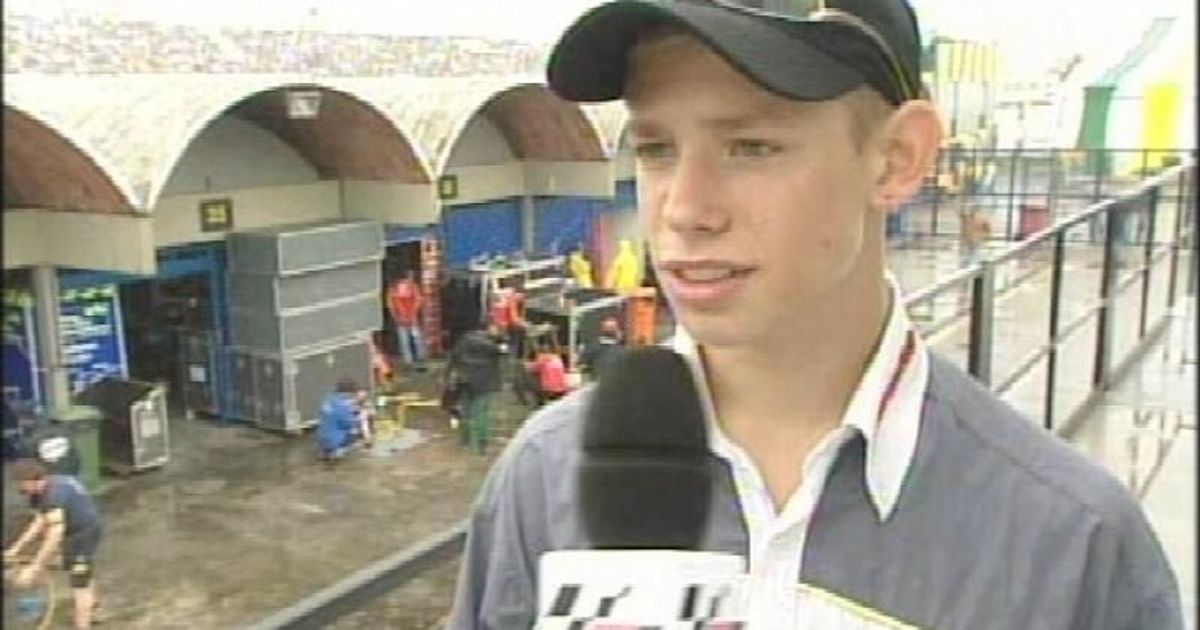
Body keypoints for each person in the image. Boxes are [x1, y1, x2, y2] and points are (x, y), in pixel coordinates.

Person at [449, 1, 1181, 628]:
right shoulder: (544, 478)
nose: (684, 209)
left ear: (897, 158)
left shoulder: (1072, 543)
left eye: (751, 147)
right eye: (656, 148)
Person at [5, 458, 104, 629]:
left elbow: (54, 535)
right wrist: (16, 548)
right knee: (84, 573)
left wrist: (34, 569)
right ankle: (93, 608)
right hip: (79, 527)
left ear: (31, 479)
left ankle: (84, 624)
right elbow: (39, 520)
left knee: (79, 585)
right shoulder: (44, 488)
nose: (19, 488)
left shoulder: (53, 495)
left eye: (21, 483)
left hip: (83, 535)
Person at [446, 324, 504, 455]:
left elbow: (453, 359)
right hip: (484, 383)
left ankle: (465, 440)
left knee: (465, 411)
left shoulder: (464, 339)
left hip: (464, 381)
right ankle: (481, 443)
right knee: (482, 413)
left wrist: (450, 378)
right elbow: (504, 351)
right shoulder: (491, 346)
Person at [316, 379, 370, 462]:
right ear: (349, 392)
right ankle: (337, 451)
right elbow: (348, 423)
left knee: (330, 426)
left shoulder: (328, 398)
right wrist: (359, 417)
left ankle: (325, 450)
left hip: (321, 437)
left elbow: (330, 413)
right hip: (335, 439)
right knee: (354, 430)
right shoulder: (344, 405)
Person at [387, 270, 424, 368]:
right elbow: (418, 301)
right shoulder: (397, 289)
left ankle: (413, 359)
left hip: (406, 318)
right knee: (411, 339)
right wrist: (399, 317)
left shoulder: (397, 289)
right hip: (405, 318)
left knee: (410, 339)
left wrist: (398, 317)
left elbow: (418, 301)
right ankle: (413, 359)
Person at [578, 316, 623, 380]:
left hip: (597, 383)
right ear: (617, 330)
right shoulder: (621, 349)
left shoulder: (591, 346)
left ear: (602, 329)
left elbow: (582, 366)